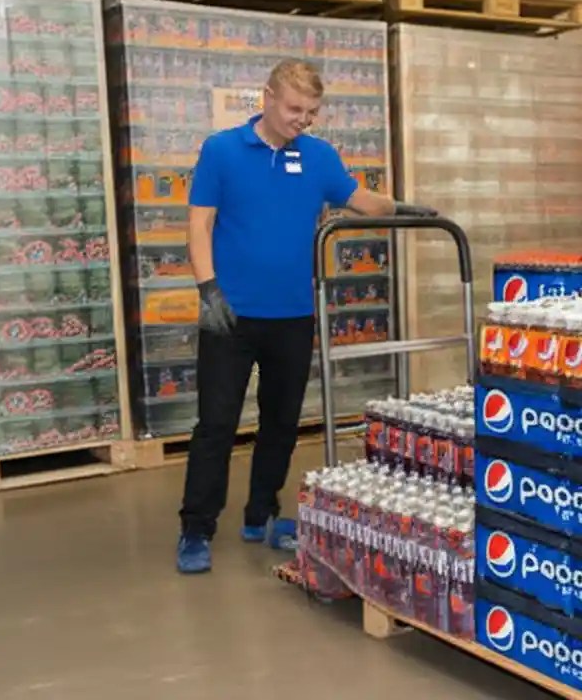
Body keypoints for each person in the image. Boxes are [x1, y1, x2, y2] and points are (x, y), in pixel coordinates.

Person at [176, 59, 433, 574]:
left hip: (293, 314)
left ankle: (261, 514)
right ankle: (195, 529)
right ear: (267, 97)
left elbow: (359, 199)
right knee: (217, 424)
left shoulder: (317, 157)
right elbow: (200, 226)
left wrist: (407, 208)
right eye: (295, 108)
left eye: (312, 112)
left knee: (282, 423)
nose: (303, 119)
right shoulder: (221, 150)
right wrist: (208, 289)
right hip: (229, 314)